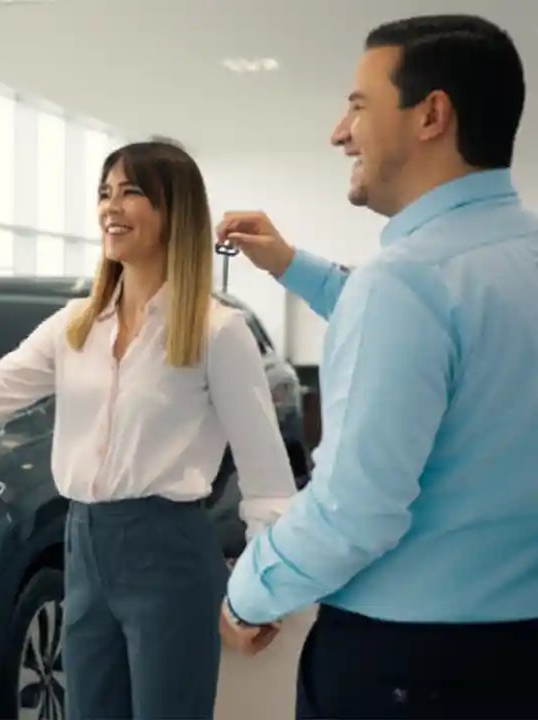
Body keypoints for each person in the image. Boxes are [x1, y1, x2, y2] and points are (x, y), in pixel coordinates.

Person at [0, 141, 299, 720]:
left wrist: (263, 591)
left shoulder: (216, 331)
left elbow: (267, 478)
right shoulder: (76, 326)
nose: (111, 206)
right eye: (105, 192)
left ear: (174, 211)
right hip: (84, 543)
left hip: (169, 551)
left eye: (131, 192)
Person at [217, 14, 537, 720]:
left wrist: (249, 590)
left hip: (410, 671)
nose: (339, 132)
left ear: (431, 115)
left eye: (357, 106)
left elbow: (353, 515)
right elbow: (451, 332)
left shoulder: (407, 283)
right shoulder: (501, 262)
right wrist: (292, 265)